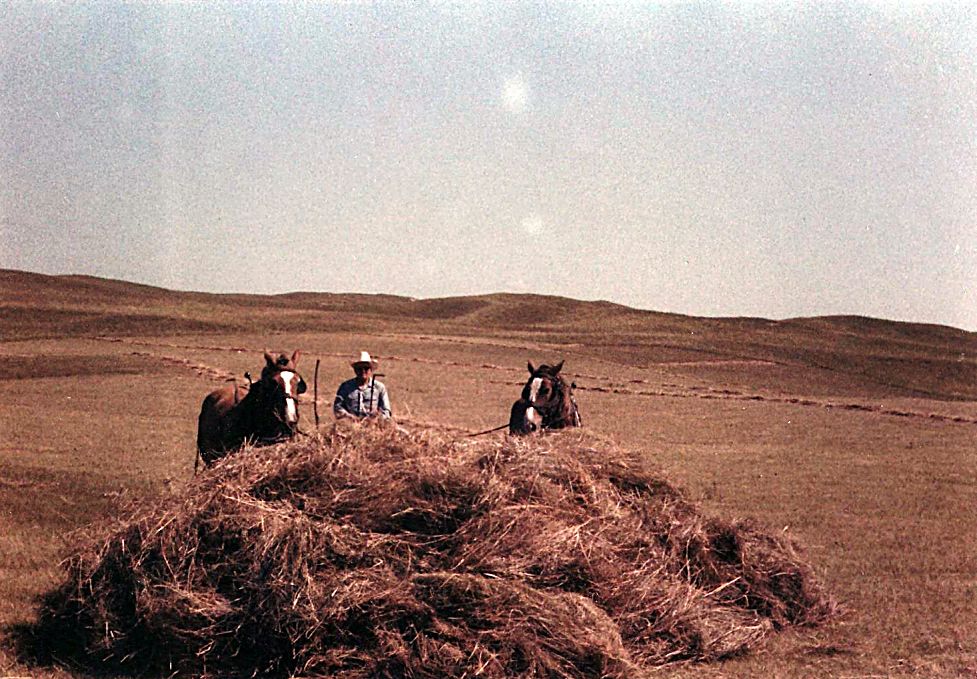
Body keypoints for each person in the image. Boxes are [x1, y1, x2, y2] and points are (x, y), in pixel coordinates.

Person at [333, 351, 392, 419]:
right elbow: (337, 407)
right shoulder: (345, 387)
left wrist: (376, 419)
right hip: (351, 425)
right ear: (355, 370)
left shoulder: (379, 387)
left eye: (366, 368)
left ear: (371, 370)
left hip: (374, 426)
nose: (363, 371)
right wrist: (350, 417)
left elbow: (387, 411)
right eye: (359, 368)